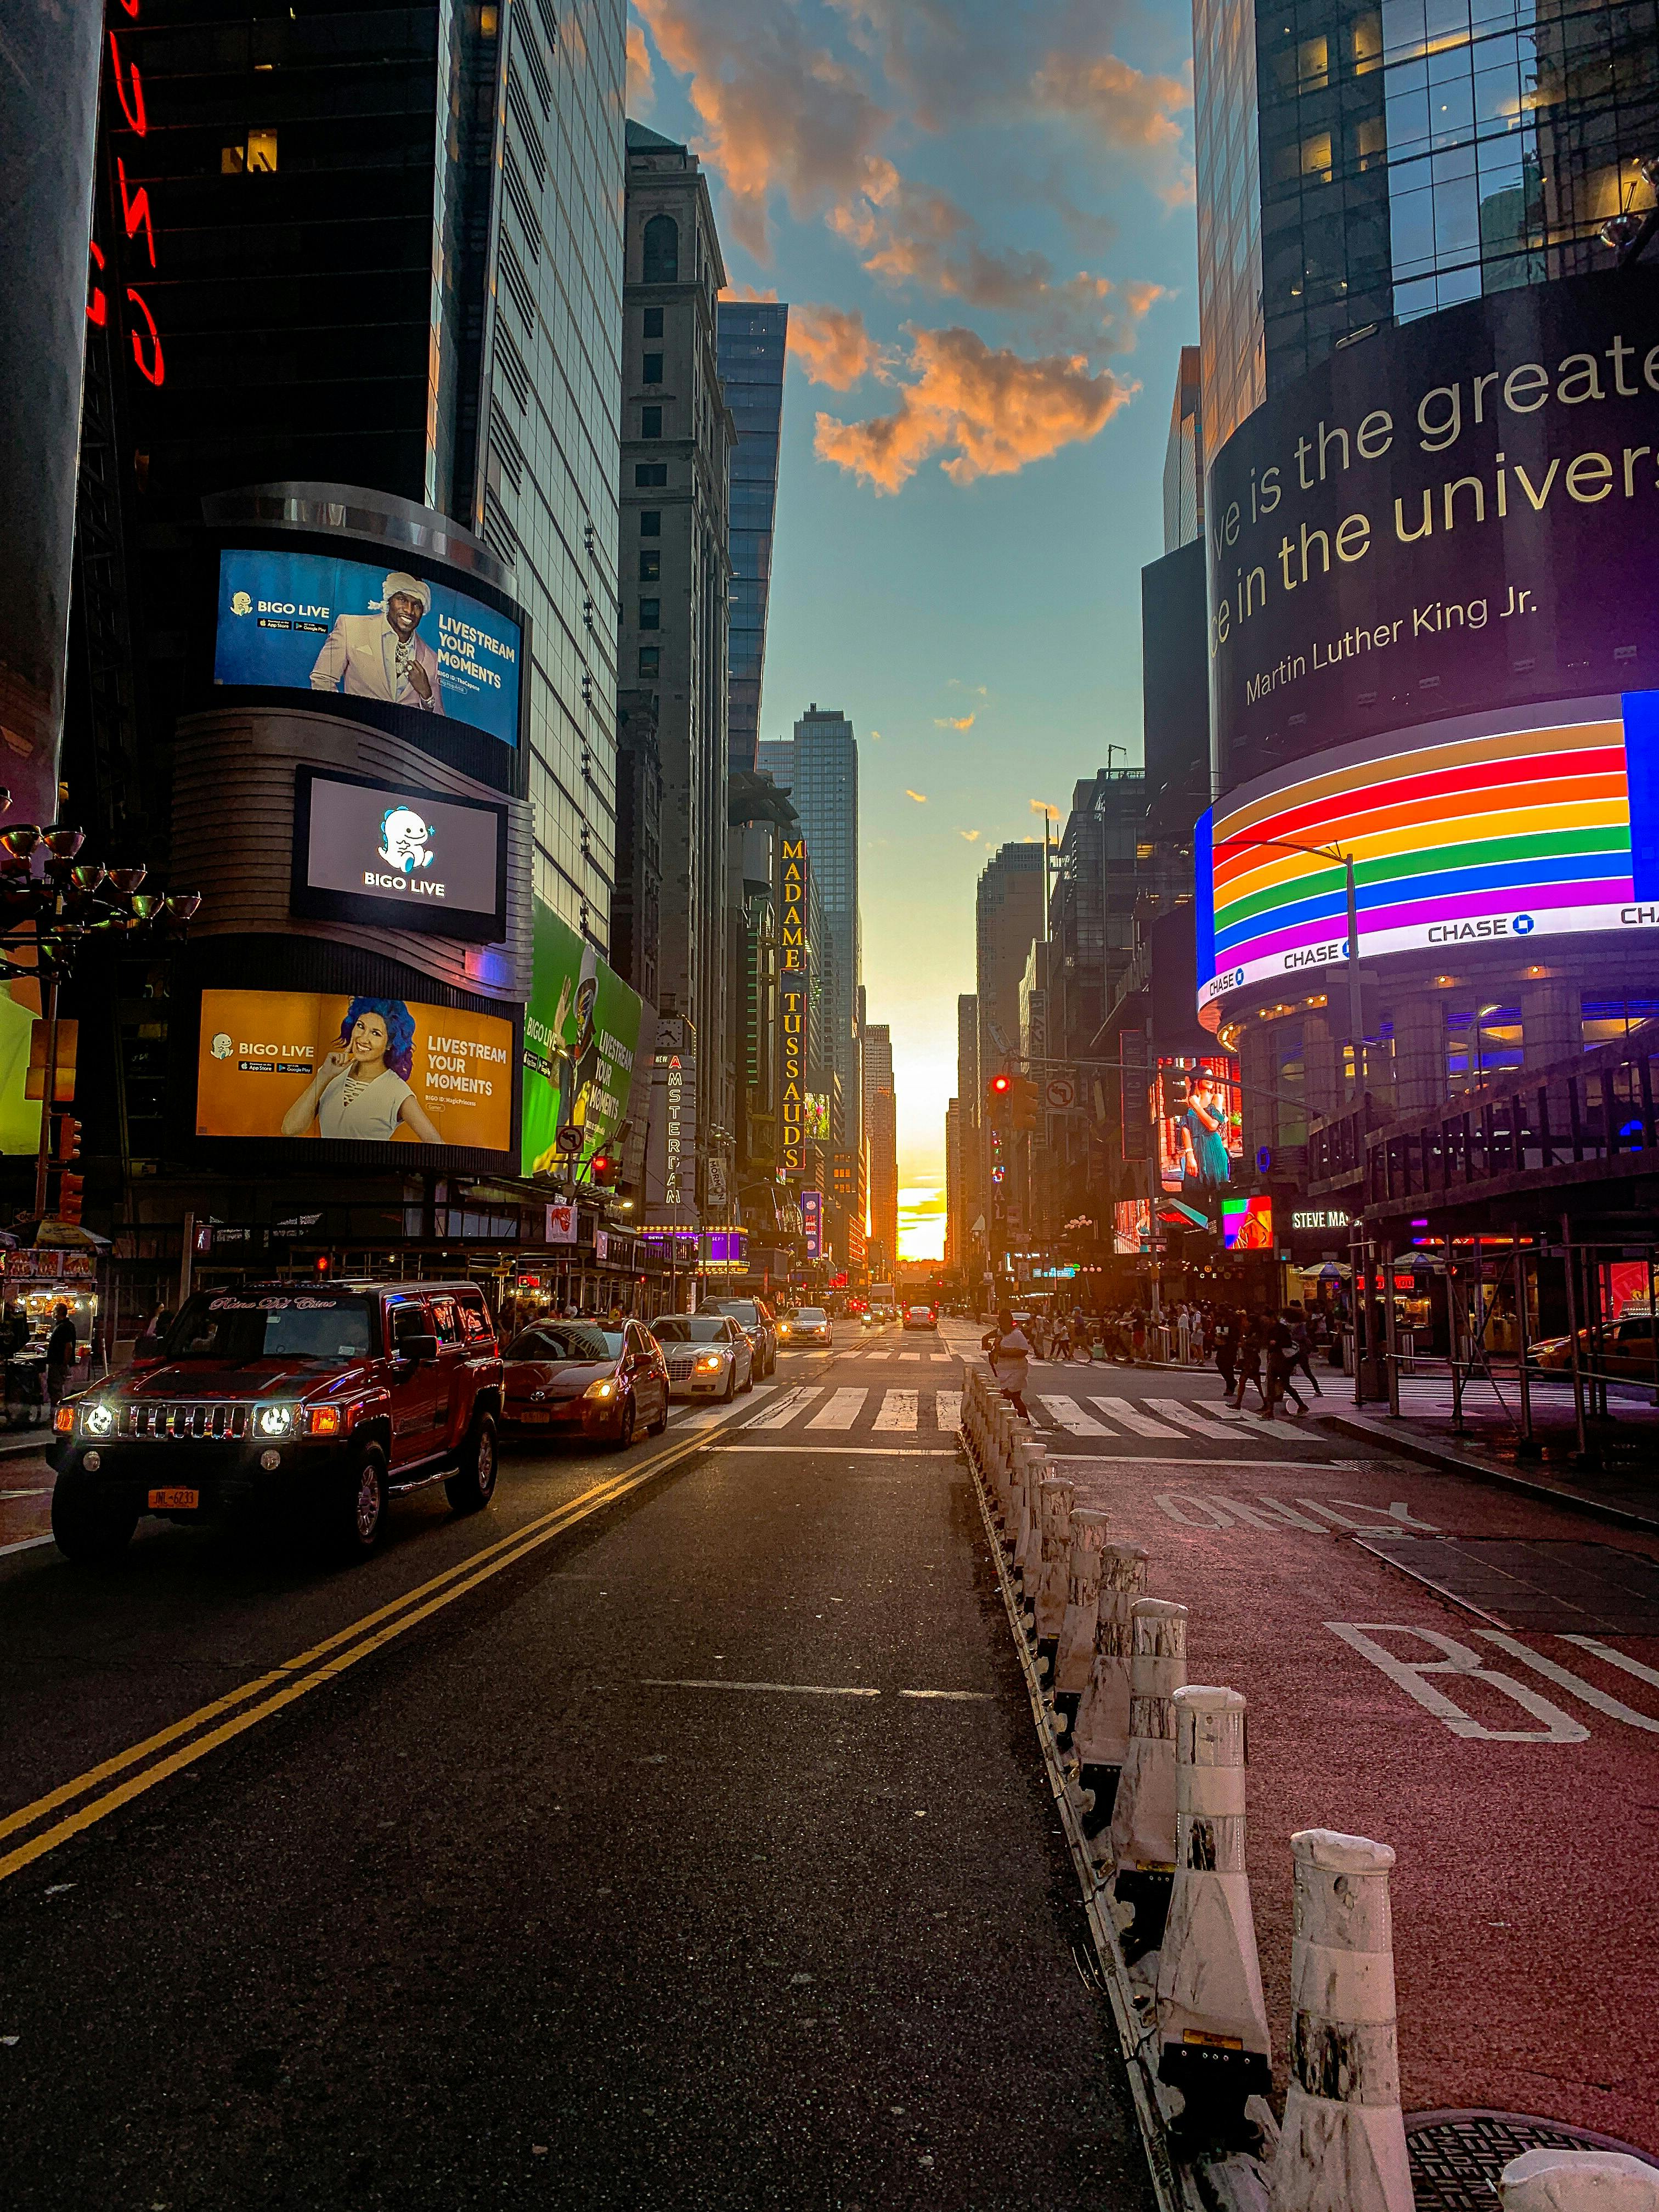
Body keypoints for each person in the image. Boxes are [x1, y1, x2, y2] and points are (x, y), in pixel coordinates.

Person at [281, 998, 443, 1143]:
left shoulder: (397, 1091)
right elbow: (290, 1130)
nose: (363, 1039)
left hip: (368, 1176)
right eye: (361, 1026)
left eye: (375, 1033)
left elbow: (436, 1145)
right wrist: (324, 1076)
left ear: (389, 1045)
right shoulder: (332, 1072)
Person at [309, 570, 445, 712]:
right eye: (402, 600)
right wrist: (343, 721)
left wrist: (426, 695)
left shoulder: (431, 659)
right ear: (389, 601)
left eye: (417, 605)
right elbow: (322, 679)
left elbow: (439, 719)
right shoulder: (351, 627)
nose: (409, 610)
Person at [1177, 1073, 1232, 1190]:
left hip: (1214, 1147)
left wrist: (1196, 1106)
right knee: (1193, 1192)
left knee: (1219, 1192)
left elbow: (1212, 1125)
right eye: (1207, 1076)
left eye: (1212, 1076)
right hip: (1195, 1148)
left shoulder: (1216, 1098)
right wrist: (1189, 1154)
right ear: (1197, 1080)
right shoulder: (1187, 1100)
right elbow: (1185, 1128)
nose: (1211, 1079)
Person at [1263, 1311, 1307, 1420]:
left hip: (1280, 1359)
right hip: (1276, 1358)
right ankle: (1300, 1405)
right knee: (1279, 1384)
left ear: (1271, 1317)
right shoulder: (1272, 1329)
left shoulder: (1281, 1329)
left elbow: (1288, 1343)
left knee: (1277, 1384)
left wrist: (1275, 1343)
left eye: (1265, 1319)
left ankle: (1270, 1411)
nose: (1264, 1321)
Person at [989, 1307, 1031, 1417]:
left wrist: (1006, 1353)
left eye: (1003, 1323)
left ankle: (1002, 1421)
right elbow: (993, 1333)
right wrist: (985, 1339)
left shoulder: (1017, 1334)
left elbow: (1024, 1351)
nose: (1001, 1326)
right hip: (1006, 1372)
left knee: (1008, 1397)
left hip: (1017, 1371)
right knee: (1015, 1398)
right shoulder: (1002, 1332)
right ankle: (1024, 1421)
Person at [1286, 1306, 1323, 1398]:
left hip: (1299, 1352)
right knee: (1305, 1372)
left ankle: (1318, 1391)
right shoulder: (1296, 1325)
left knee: (1307, 1372)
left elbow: (1302, 1337)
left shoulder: (1300, 1326)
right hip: (1296, 1351)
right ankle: (1317, 1390)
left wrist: (1290, 1337)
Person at [46, 1301, 77, 1408]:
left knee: (55, 1388)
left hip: (58, 1363)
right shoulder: (66, 1325)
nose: (52, 1313)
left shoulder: (64, 1327)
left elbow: (69, 1346)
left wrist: (64, 1363)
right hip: (59, 1362)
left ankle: (56, 1411)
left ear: (58, 1313)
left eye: (54, 1311)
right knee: (56, 1387)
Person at [1214, 1306, 1239, 1399]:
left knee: (1228, 1367)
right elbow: (1216, 1331)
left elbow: (1235, 1335)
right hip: (1221, 1346)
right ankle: (1232, 1382)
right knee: (1219, 1363)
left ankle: (1230, 1387)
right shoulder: (1218, 1322)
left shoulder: (1231, 1322)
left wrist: (1227, 1339)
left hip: (1230, 1347)